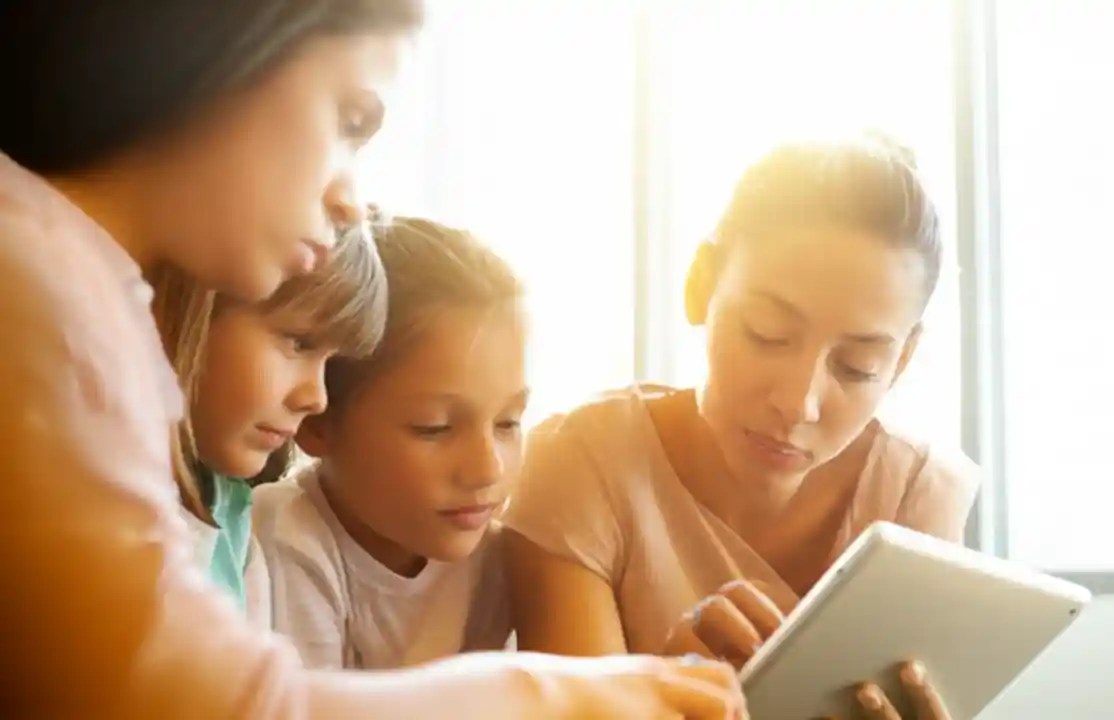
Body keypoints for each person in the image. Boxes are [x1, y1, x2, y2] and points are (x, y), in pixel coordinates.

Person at [0, 3, 742, 717]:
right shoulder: (34, 292)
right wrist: (545, 695)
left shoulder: (75, 292)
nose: (353, 203)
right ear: (227, 44)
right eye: (349, 121)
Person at [505, 138, 980, 718]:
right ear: (700, 286)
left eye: (858, 367)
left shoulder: (914, 493)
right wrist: (661, 698)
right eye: (767, 333)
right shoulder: (583, 464)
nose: (799, 404)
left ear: (901, 361)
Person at [255, 217, 520, 668]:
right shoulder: (287, 540)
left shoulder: (505, 550)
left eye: (508, 422)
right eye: (434, 427)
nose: (487, 469)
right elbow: (310, 701)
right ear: (318, 423)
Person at [153, 228, 387, 624]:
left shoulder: (229, 513)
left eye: (330, 363)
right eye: (300, 343)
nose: (317, 398)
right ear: (191, 307)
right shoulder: (81, 511)